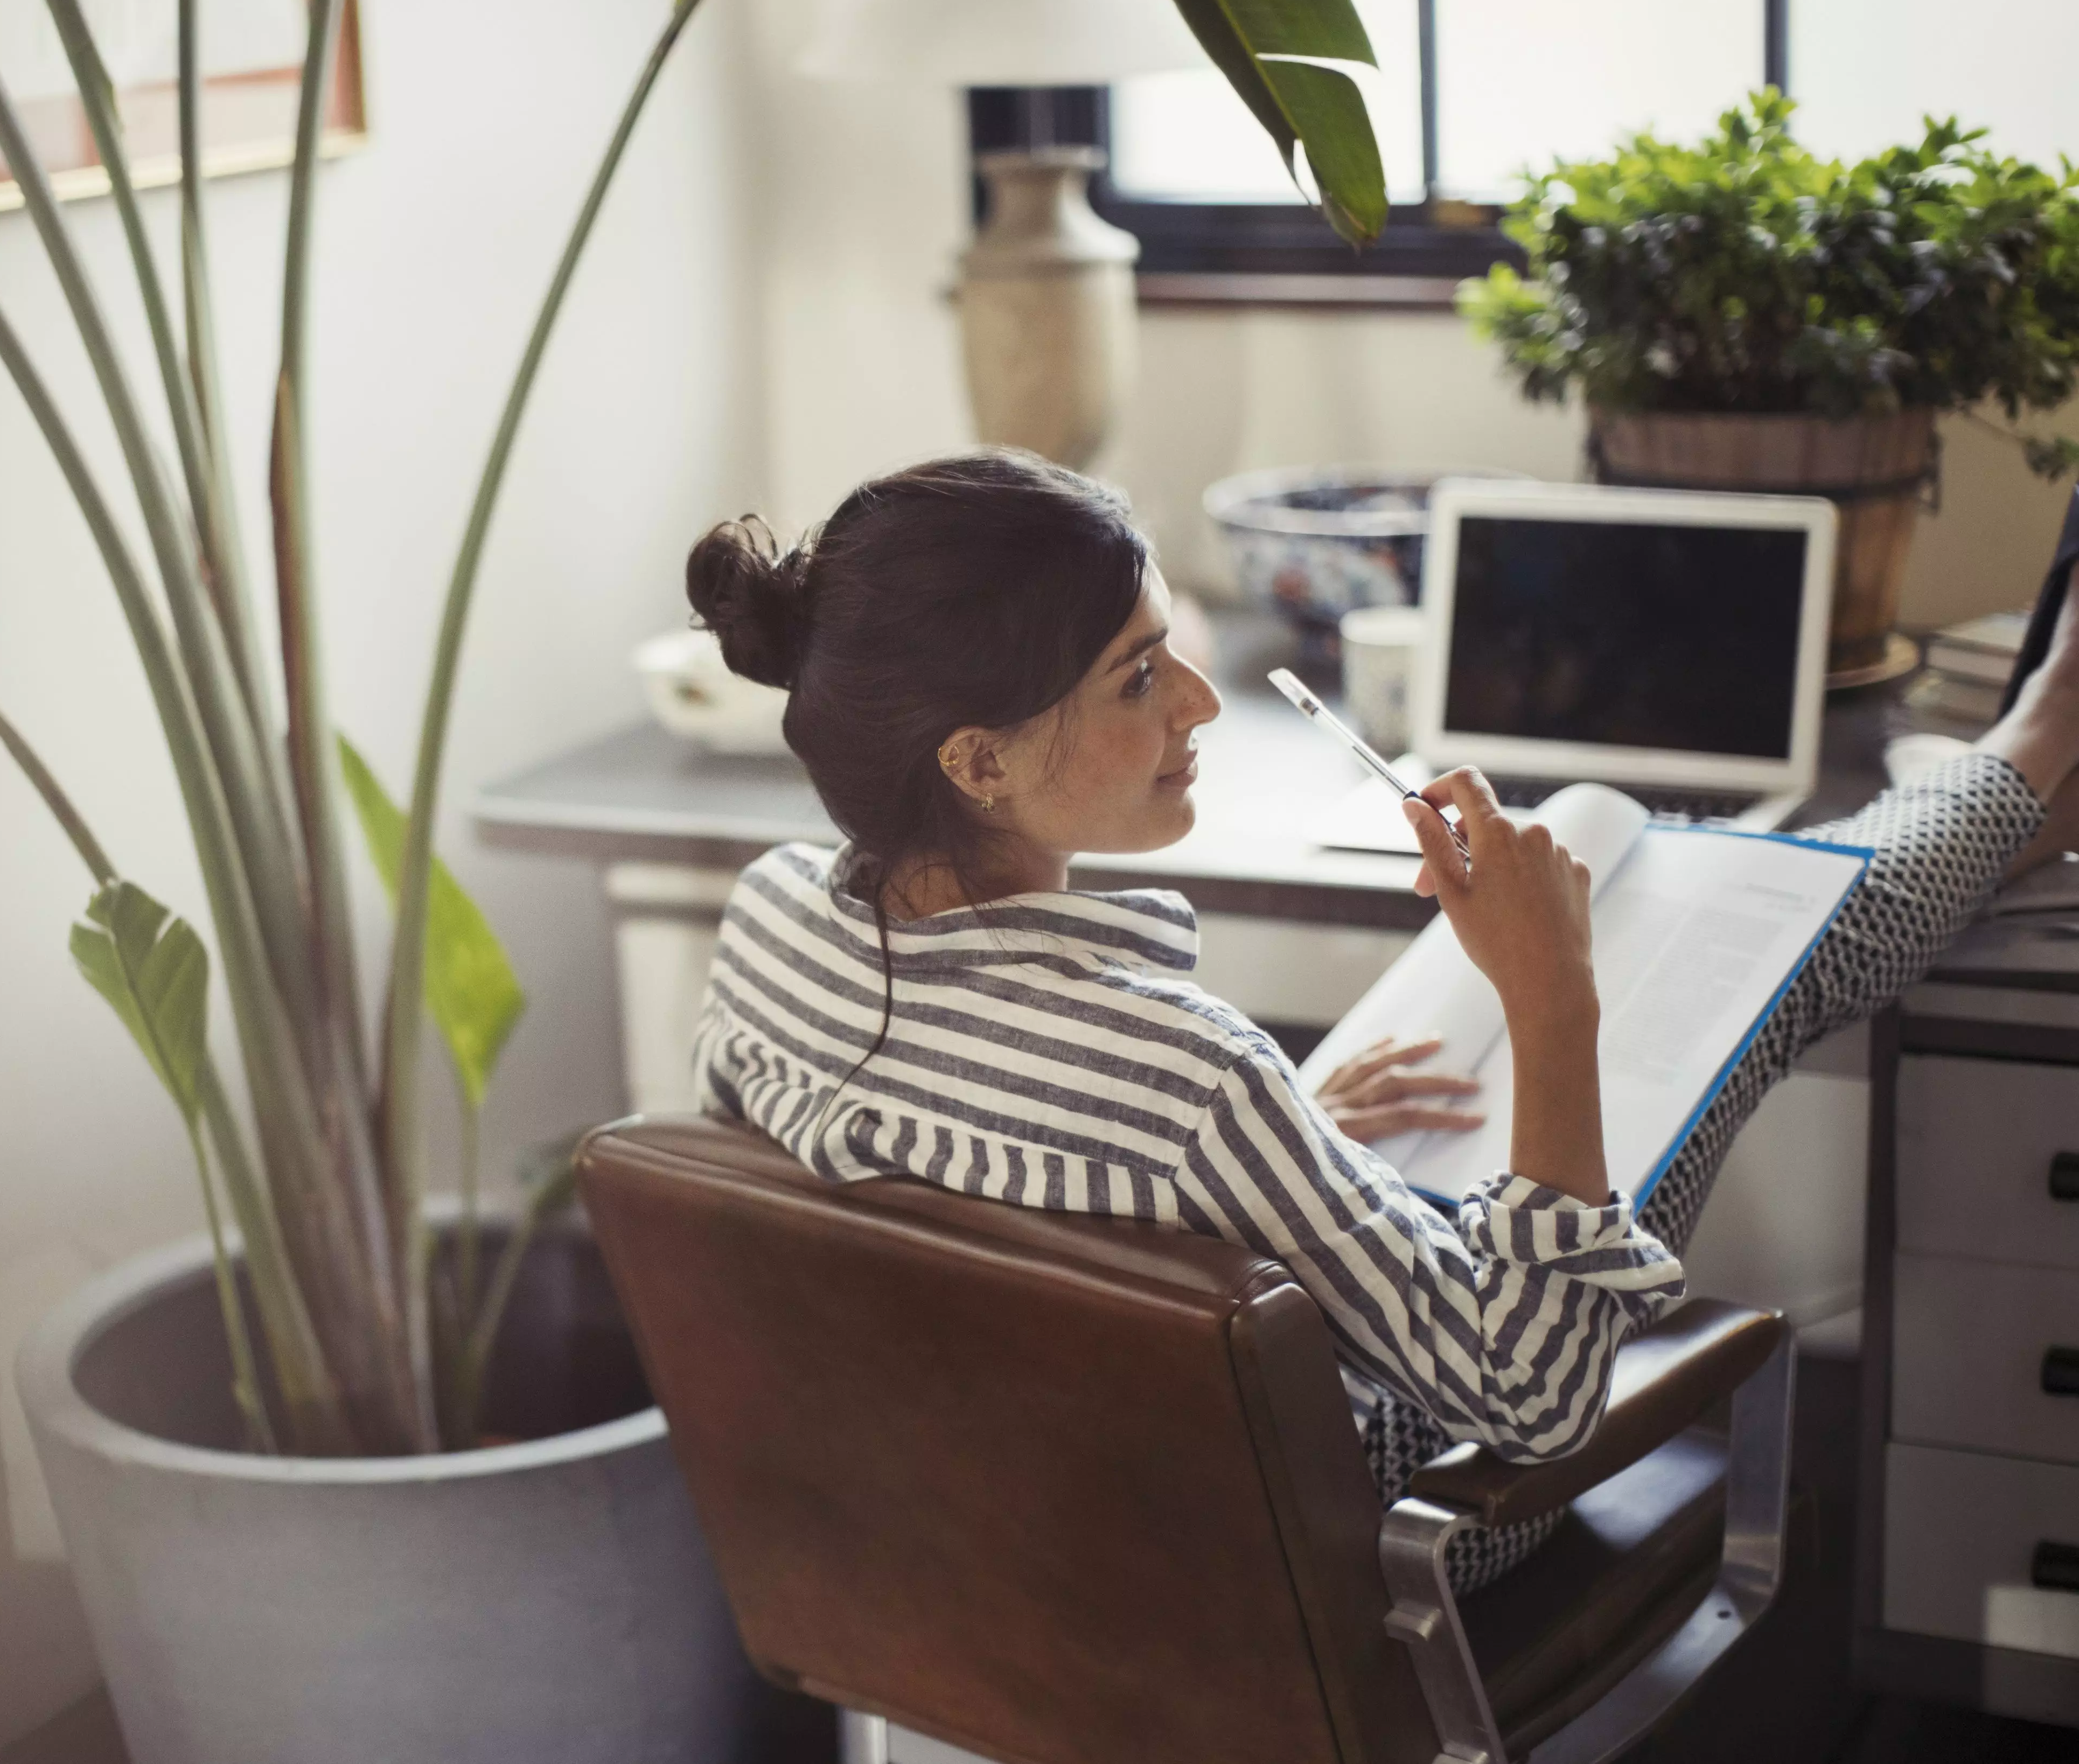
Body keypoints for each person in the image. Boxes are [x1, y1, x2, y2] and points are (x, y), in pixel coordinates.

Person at [685, 450, 2079, 1591]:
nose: (1202, 701)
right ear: (978, 759)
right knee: (1746, 981)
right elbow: (1534, 1402)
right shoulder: (1192, 1088)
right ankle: (2029, 755)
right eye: (1134, 676)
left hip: (979, 1555)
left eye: (1174, 648)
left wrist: (1214, 1185)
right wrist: (1552, 997)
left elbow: (912, 1211)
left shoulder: (765, 926)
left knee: (1695, 955)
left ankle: (2024, 775)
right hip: (1312, 1563)